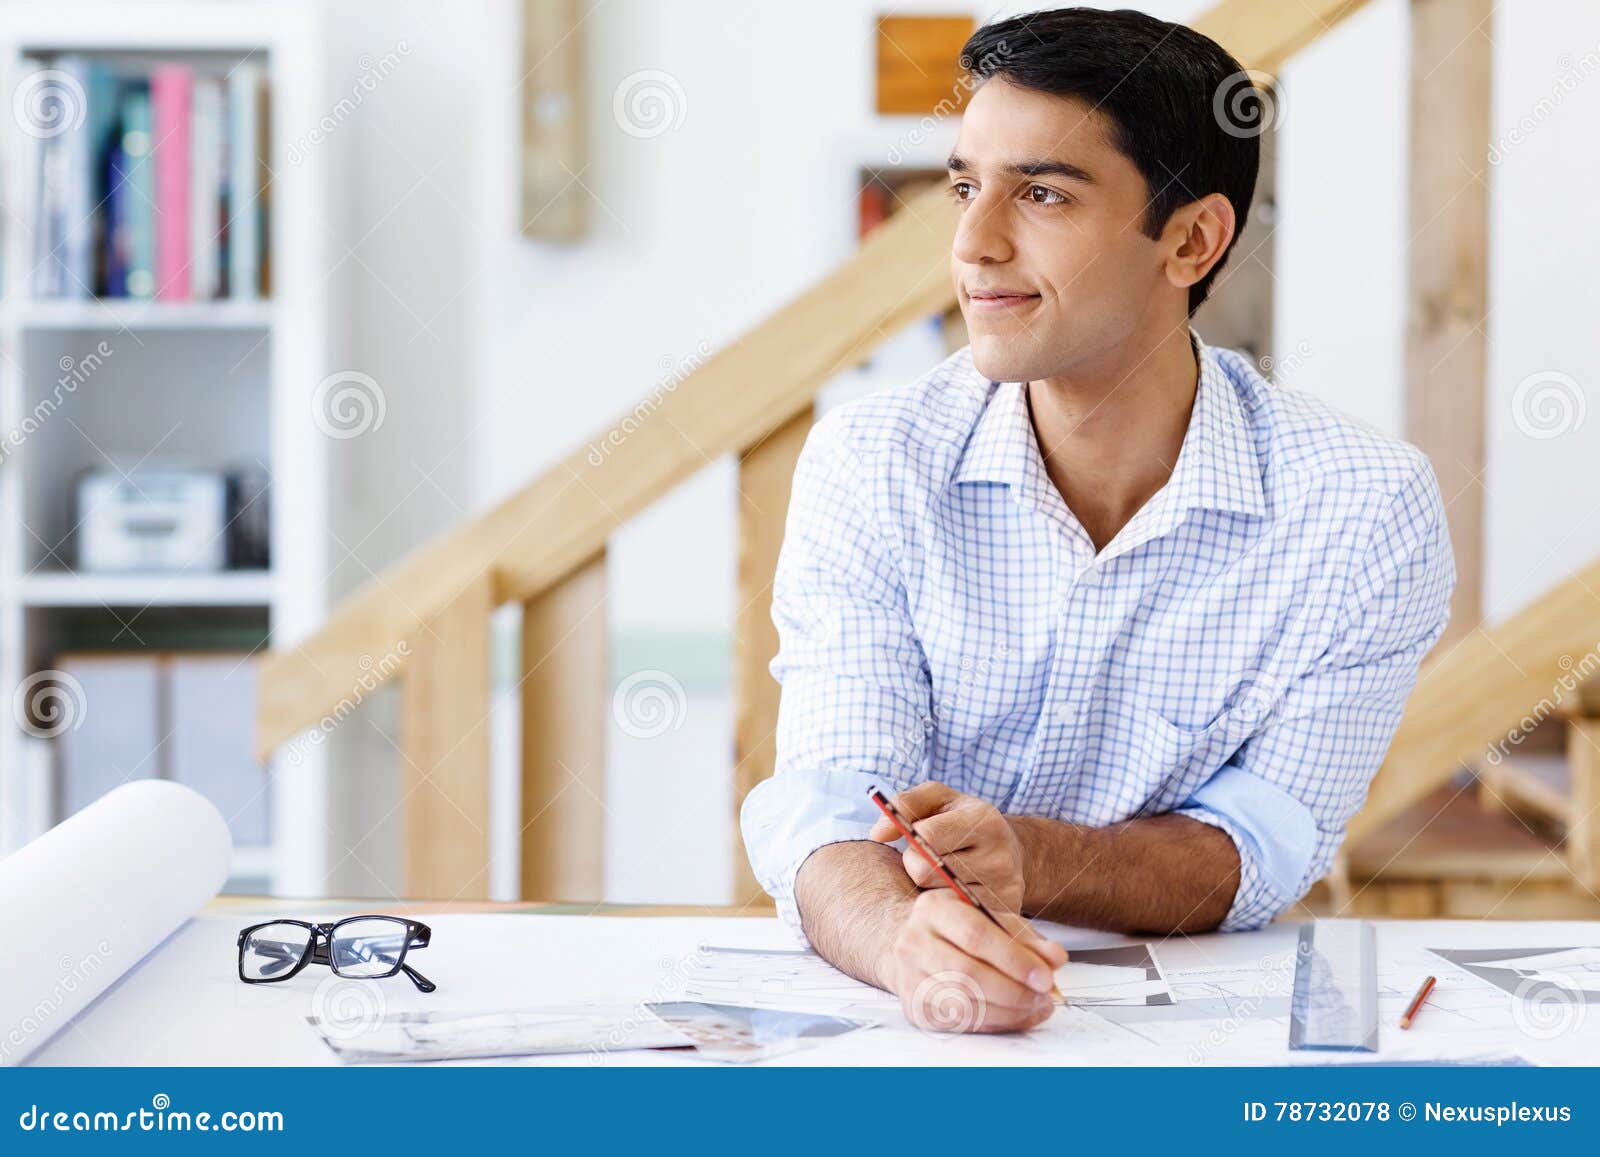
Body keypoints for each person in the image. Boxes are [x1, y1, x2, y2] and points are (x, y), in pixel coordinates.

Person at [740, 7, 1455, 1034]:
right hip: (912, 1034)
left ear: (1192, 240)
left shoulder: (1362, 509)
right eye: (964, 187)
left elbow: (1264, 841)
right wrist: (905, 944)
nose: (973, 243)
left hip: (1194, 1037)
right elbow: (827, 802)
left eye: (1041, 193)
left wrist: (1031, 856)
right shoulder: (872, 461)